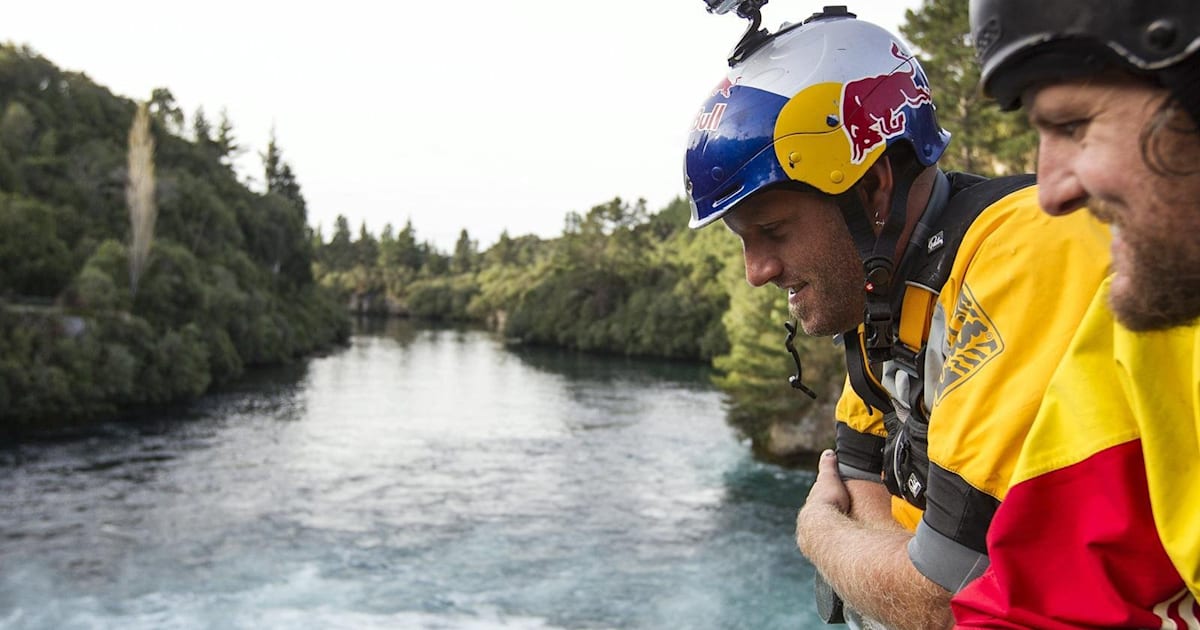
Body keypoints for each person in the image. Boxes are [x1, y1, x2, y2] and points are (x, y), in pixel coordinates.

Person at [683, 5, 1110, 629]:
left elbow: (949, 600)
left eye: (772, 231)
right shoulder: (878, 294)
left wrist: (819, 532)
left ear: (873, 187)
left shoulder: (1026, 253)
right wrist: (897, 566)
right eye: (743, 240)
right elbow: (861, 482)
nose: (757, 271)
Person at [951, 1, 1200, 626]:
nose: (1051, 192)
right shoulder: (1144, 338)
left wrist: (823, 525)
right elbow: (1034, 607)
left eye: (1073, 124)